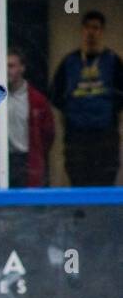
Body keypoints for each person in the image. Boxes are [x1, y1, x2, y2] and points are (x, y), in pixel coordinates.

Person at [51, 11, 122, 186]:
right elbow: (55, 94)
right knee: (78, 182)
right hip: (77, 138)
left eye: (96, 28)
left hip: (105, 137)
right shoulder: (69, 62)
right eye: (88, 28)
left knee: (105, 182)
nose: (91, 33)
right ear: (82, 31)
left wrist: (110, 111)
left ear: (102, 31)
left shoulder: (113, 61)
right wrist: (71, 113)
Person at [0, 47, 54, 188]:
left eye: (11, 66)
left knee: (26, 205)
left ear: (22, 68)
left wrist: (36, 155)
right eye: (3, 66)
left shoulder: (37, 100)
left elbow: (47, 134)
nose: (7, 70)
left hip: (26, 161)